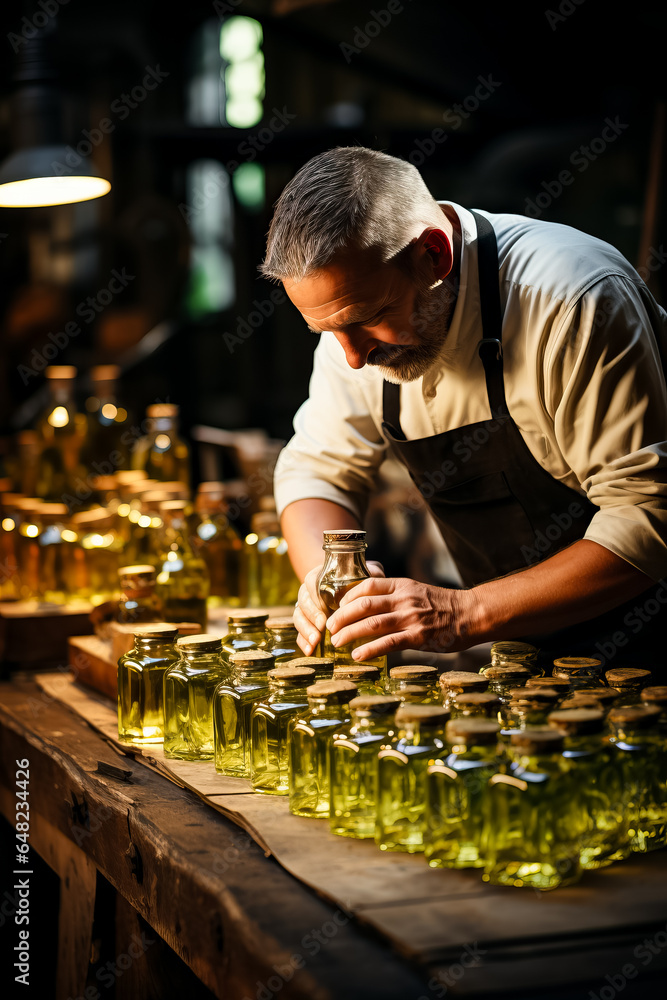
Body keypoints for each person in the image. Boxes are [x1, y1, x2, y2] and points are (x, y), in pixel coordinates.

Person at [260, 146, 667, 675]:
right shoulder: (352, 320)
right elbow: (317, 470)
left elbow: (648, 513)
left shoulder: (571, 299)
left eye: (368, 320)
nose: (354, 358)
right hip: (522, 659)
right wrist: (325, 576)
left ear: (435, 255)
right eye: (328, 332)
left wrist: (463, 613)